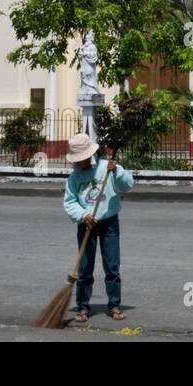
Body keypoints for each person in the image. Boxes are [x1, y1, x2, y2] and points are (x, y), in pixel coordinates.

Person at [62, 132, 134, 322]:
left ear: (89, 155)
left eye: (82, 159)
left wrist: (117, 171)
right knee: (85, 268)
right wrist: (83, 215)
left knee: (112, 266)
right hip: (86, 224)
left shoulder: (107, 168)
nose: (80, 163)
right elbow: (69, 202)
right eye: (77, 161)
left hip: (109, 222)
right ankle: (83, 306)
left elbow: (128, 185)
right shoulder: (74, 178)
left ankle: (114, 305)